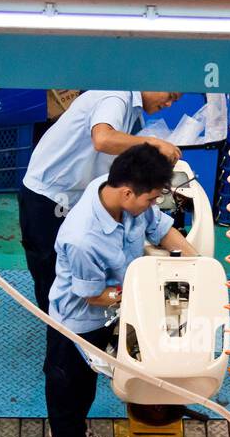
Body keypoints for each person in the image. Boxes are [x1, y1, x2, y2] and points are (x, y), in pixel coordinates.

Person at [45, 144, 197, 437]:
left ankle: (77, 429)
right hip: (77, 325)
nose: (150, 206)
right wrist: (145, 291)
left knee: (86, 391)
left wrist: (196, 265)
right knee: (67, 396)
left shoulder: (118, 194)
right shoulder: (83, 238)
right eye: (149, 199)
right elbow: (94, 296)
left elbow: (163, 231)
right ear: (128, 192)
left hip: (112, 313)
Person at [19, 91, 182, 313]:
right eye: (170, 95)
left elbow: (160, 227)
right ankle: (58, 331)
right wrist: (153, 144)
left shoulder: (133, 114)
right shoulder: (115, 99)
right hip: (49, 196)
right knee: (53, 281)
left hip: (75, 195)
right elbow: (103, 139)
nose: (170, 103)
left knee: (73, 278)